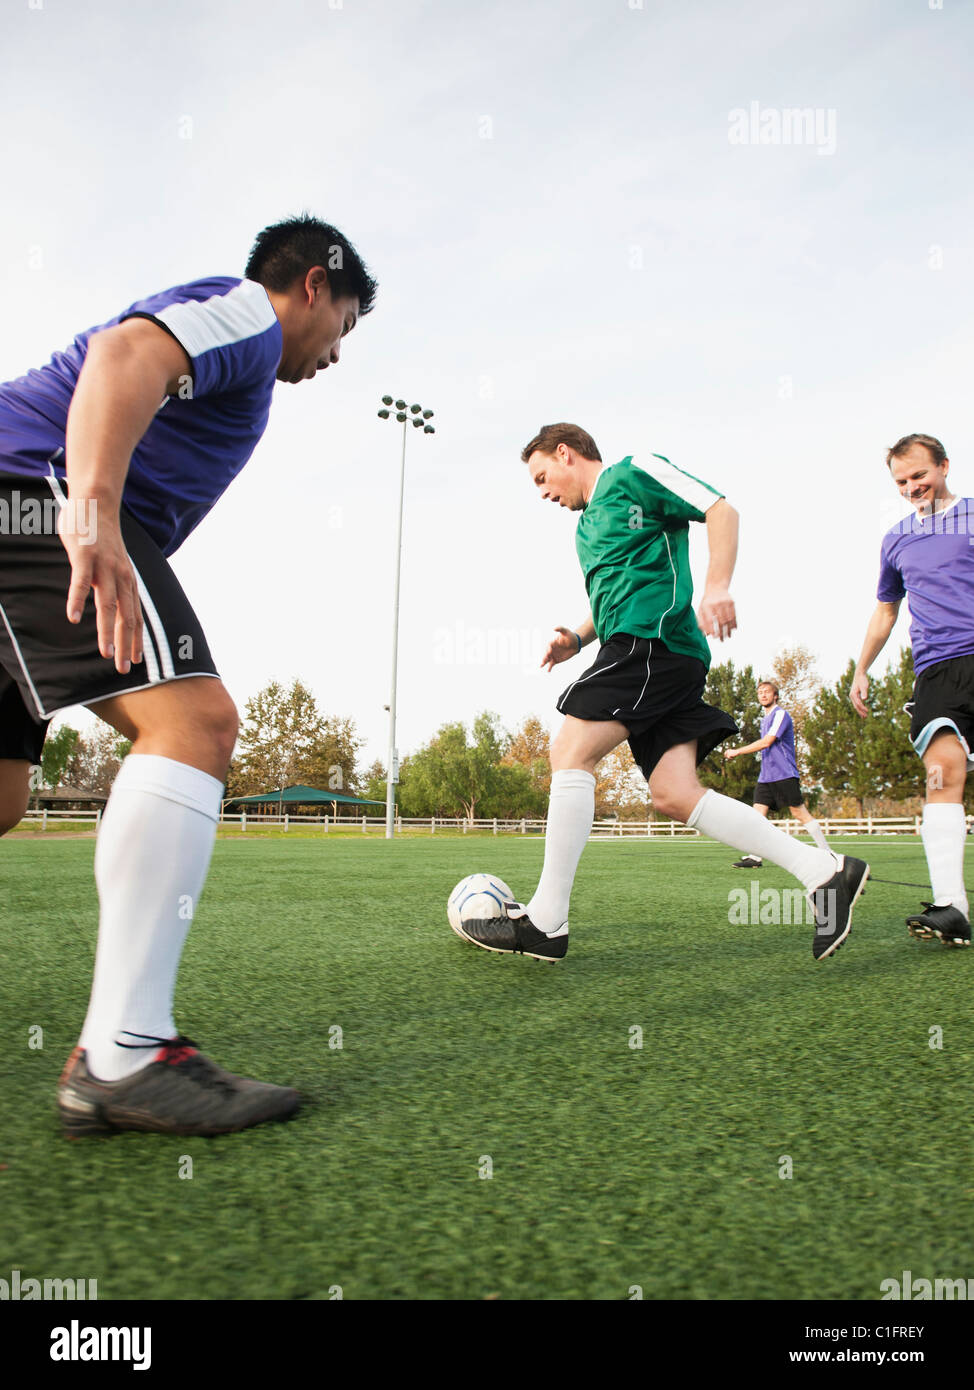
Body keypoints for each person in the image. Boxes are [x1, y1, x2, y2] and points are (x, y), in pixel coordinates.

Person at [0, 214, 377, 1134]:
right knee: (196, 726)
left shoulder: (245, 367)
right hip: (30, 492)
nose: (337, 353)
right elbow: (125, 356)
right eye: (347, 327)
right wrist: (90, 511)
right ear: (316, 287)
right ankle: (123, 1054)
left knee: (3, 795)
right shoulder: (246, 312)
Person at [458, 424, 868, 963]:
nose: (543, 492)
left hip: (653, 643)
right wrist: (576, 639)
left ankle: (546, 922)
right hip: (646, 652)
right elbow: (615, 591)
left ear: (566, 453)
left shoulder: (633, 472)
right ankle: (825, 873)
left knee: (569, 752)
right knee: (674, 793)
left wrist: (718, 585)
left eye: (542, 478)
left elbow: (721, 509)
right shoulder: (585, 531)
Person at [851, 432, 972, 947]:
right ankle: (952, 907)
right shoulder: (896, 539)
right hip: (937, 671)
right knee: (942, 775)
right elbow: (885, 611)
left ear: (943, 466)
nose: (911, 487)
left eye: (919, 475)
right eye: (901, 481)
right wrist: (862, 668)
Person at [723, 680, 830, 868]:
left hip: (784, 774)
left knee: (799, 813)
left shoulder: (781, 714)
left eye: (767, 692)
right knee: (756, 817)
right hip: (766, 776)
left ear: (775, 696)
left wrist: (738, 751)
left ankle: (827, 853)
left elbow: (767, 742)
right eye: (760, 692)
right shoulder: (765, 719)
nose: (763, 695)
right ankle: (755, 857)